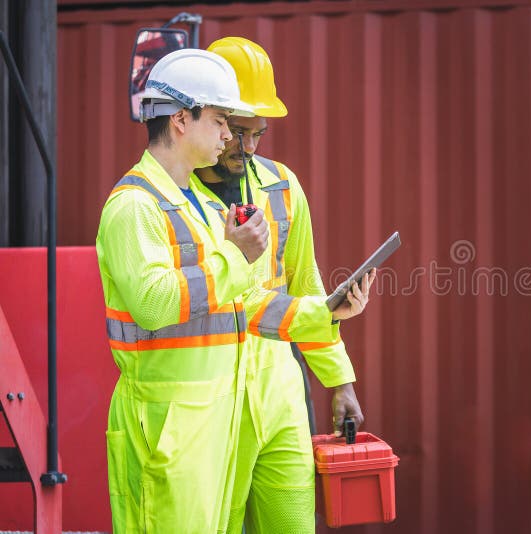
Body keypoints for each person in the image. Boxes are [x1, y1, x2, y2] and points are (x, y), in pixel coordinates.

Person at [194, 37, 371, 533]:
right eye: (239, 133)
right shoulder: (172, 196)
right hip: (212, 405)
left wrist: (339, 382)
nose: (248, 148)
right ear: (212, 118)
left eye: (260, 134)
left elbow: (308, 288)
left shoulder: (280, 187)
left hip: (280, 398)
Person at [96, 48, 268, 533]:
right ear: (179, 120)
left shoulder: (197, 205)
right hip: (166, 425)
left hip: (209, 420)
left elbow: (232, 305)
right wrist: (234, 255)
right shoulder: (134, 207)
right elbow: (153, 304)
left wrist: (328, 313)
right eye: (218, 120)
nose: (229, 136)